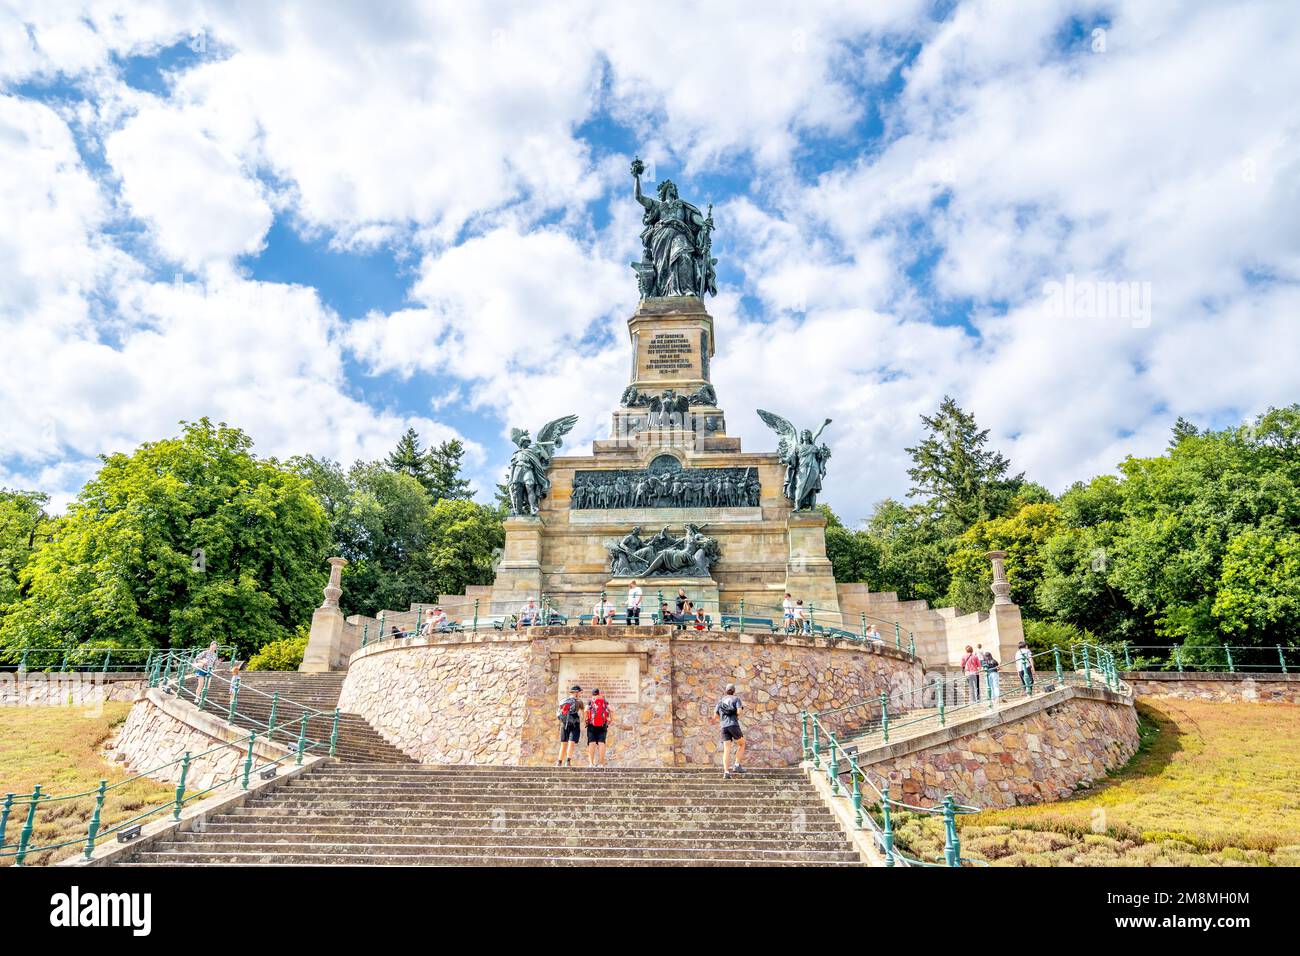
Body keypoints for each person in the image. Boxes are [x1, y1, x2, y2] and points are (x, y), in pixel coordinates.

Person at [712, 684, 746, 778]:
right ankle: (737, 765)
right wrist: (737, 715)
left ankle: (726, 772)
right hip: (733, 724)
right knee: (742, 743)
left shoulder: (720, 701)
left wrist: (722, 719)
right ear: (734, 691)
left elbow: (715, 716)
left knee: (726, 749)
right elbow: (739, 712)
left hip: (724, 726)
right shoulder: (736, 699)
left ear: (726, 691)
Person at [556, 685, 584, 766]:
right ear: (576, 693)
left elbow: (558, 713)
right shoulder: (579, 702)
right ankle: (568, 761)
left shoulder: (563, 701)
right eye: (580, 693)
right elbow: (583, 713)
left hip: (564, 724)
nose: (580, 694)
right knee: (571, 742)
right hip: (575, 724)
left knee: (563, 743)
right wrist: (585, 722)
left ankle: (559, 762)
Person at [585, 687, 612, 767]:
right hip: (602, 724)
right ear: (599, 693)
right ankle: (601, 763)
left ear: (592, 694)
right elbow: (612, 710)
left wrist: (586, 720)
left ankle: (591, 763)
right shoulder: (605, 701)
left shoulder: (590, 701)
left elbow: (585, 710)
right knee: (601, 743)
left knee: (591, 743)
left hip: (591, 725)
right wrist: (611, 719)